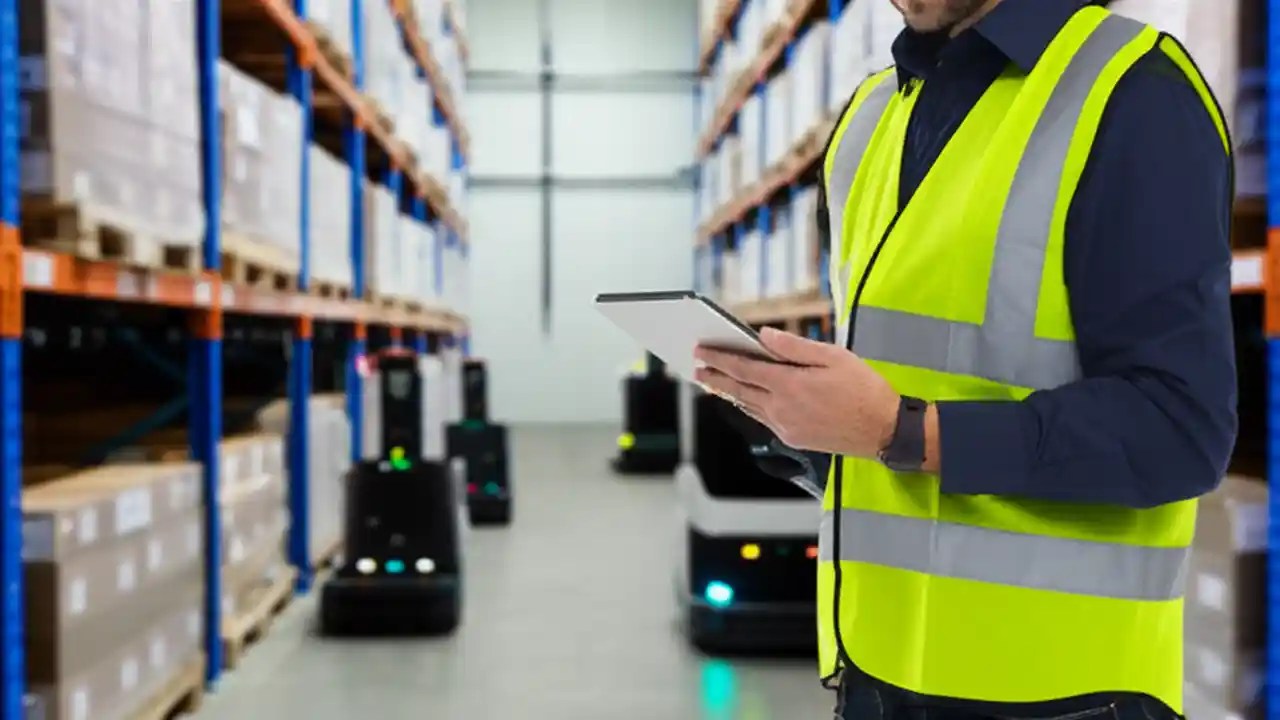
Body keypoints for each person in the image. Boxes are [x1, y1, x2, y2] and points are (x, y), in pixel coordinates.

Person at [694, 0, 1236, 718]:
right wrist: (803, 418)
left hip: (1060, 694)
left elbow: (1180, 429)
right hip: (876, 672)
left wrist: (903, 432)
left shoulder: (1133, 94)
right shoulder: (871, 117)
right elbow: (911, 375)